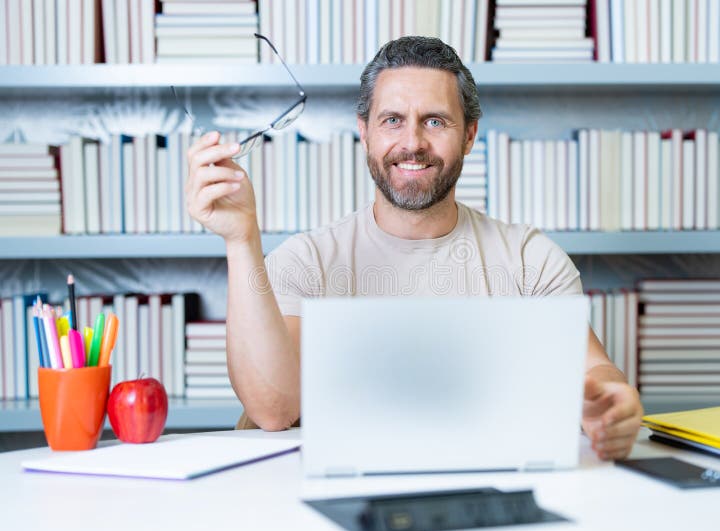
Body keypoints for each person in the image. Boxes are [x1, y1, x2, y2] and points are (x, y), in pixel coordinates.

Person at [185, 36, 643, 460]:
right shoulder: (307, 262)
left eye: (435, 121)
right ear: (364, 131)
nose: (412, 143)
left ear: (468, 134)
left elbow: (593, 372)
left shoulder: (530, 259)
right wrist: (240, 237)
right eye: (392, 121)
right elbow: (274, 410)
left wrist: (609, 403)